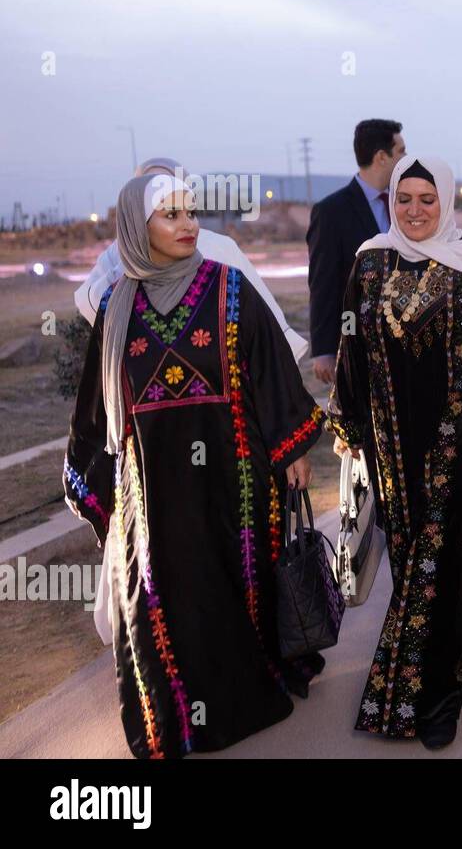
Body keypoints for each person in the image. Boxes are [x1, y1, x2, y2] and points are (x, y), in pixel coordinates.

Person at [63, 173, 324, 759]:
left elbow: (272, 371)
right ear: (138, 226)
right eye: (170, 216)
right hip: (152, 492)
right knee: (161, 592)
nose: (188, 225)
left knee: (233, 588)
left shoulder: (231, 289)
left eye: (190, 212)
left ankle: (247, 701)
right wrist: (93, 481)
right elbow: (94, 411)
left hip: (234, 480)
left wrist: (293, 449)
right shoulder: (115, 308)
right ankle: (178, 719)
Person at [328, 154, 462, 750]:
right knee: (411, 560)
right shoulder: (370, 262)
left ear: (447, 202)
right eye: (405, 199)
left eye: (428, 199)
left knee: (452, 559)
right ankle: (430, 671)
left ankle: (438, 694)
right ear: (392, 202)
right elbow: (351, 345)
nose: (417, 210)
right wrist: (347, 422)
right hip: (392, 440)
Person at [74, 157, 308, 360]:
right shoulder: (118, 255)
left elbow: (262, 318)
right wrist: (131, 267)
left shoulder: (218, 247)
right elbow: (91, 302)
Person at [307, 119, 406, 384]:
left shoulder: (407, 205)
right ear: (382, 157)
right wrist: (324, 350)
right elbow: (322, 283)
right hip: (356, 343)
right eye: (401, 152)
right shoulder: (331, 212)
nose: (406, 158)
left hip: (405, 342)